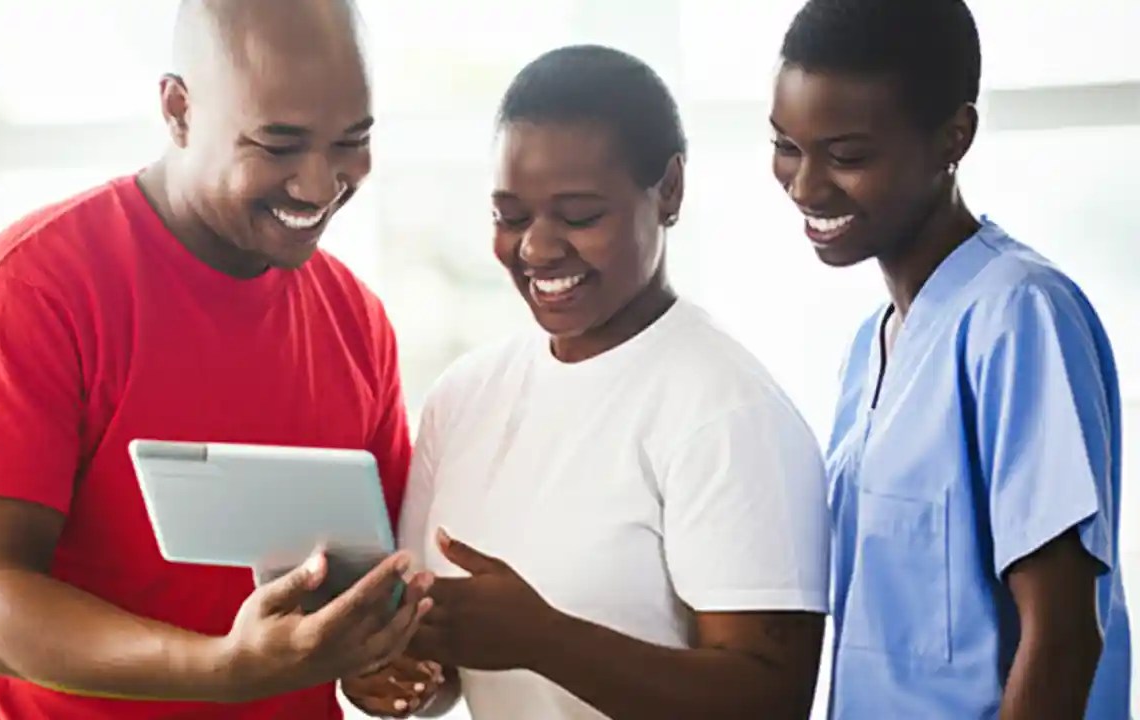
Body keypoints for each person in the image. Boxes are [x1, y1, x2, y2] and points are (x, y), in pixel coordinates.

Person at [0, 0, 434, 718]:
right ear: (179, 110)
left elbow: (374, 588)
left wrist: (380, 653)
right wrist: (224, 669)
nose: (320, 184)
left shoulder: (356, 320)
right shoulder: (27, 291)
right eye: (278, 146)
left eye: (352, 141)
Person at [342, 44, 832, 720]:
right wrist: (394, 670)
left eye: (578, 216)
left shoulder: (728, 411)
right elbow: (445, 659)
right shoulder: (463, 398)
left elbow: (769, 700)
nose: (537, 248)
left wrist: (544, 639)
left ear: (669, 192)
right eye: (510, 216)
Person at [768, 0, 1131, 717]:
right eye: (787, 146)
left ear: (952, 137)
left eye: (847, 156)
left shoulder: (1019, 316)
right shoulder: (871, 347)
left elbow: (1062, 634)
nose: (806, 186)